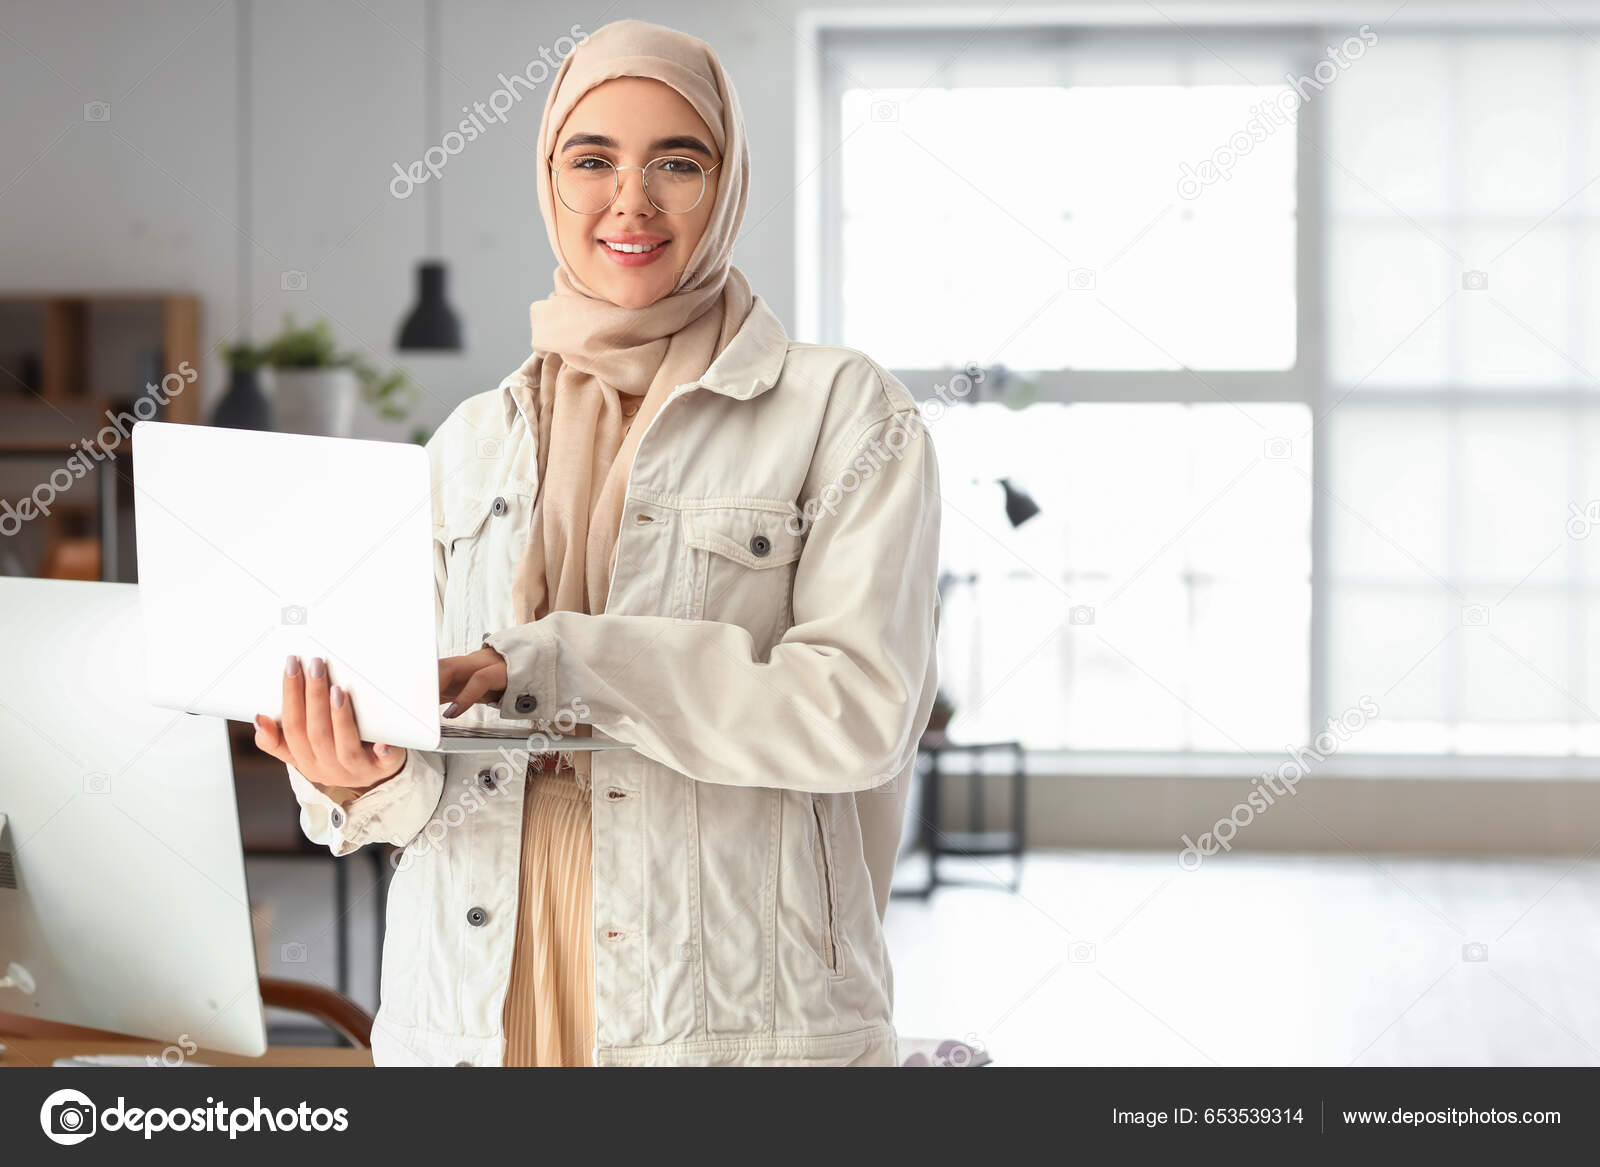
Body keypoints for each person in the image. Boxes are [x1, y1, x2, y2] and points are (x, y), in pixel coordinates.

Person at [253, 18, 941, 1067]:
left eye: (678, 162)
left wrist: (560, 661)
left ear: (727, 183)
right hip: (470, 997)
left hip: (729, 1005)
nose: (631, 201)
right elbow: (413, 780)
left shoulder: (842, 410)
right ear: (549, 180)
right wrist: (356, 773)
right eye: (592, 161)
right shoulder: (470, 441)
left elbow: (858, 714)